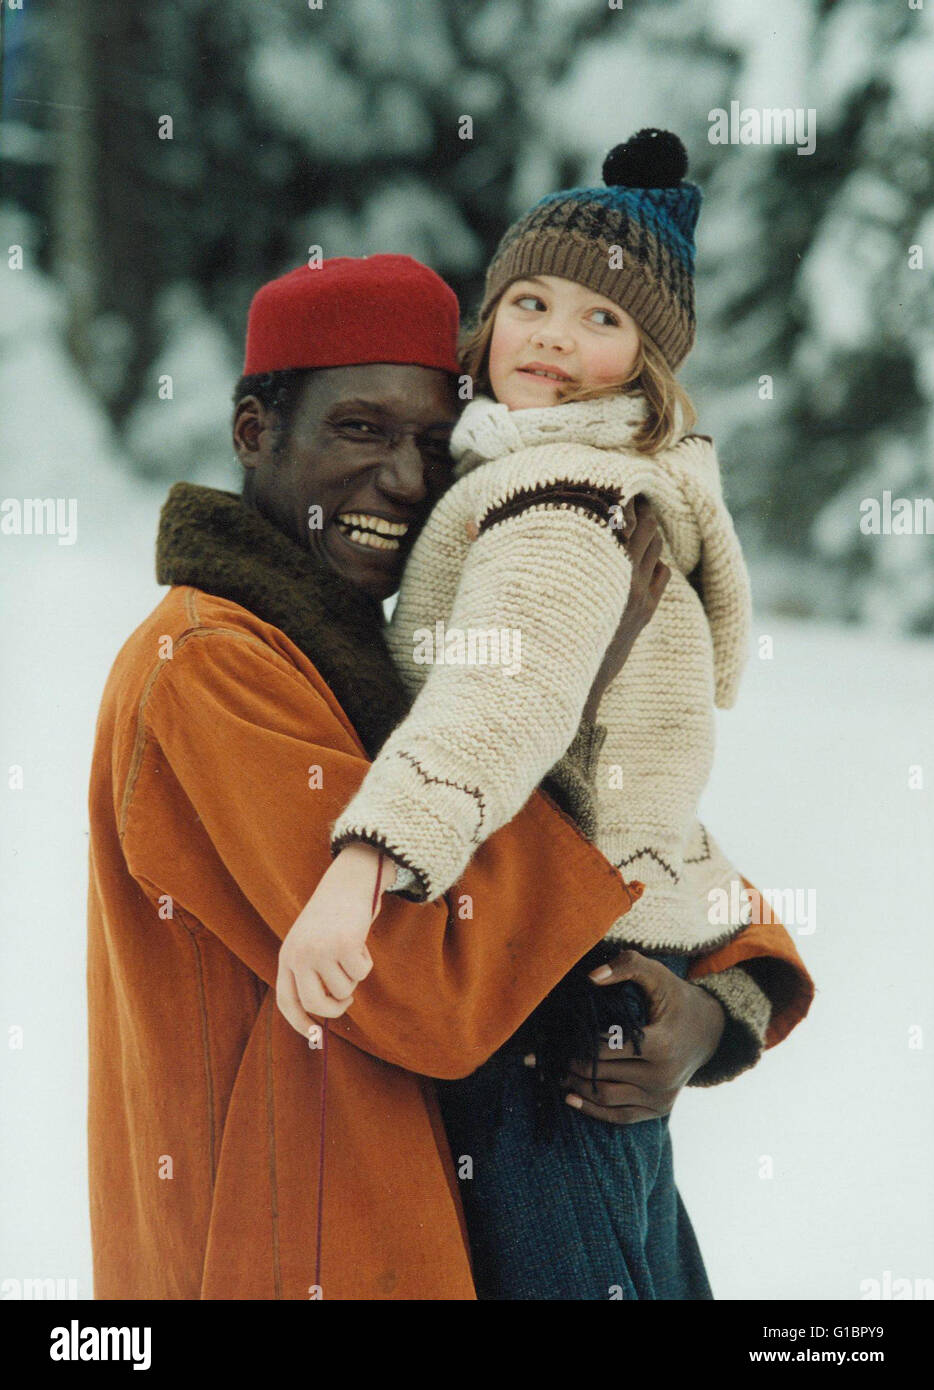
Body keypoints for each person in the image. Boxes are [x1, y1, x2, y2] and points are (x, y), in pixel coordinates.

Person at [86, 250, 813, 1300]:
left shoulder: (369, 657)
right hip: (286, 1251)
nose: (403, 477)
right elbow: (423, 986)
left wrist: (708, 1004)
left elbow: (636, 816)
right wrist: (574, 688)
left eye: (435, 443)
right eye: (359, 429)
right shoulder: (213, 663)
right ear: (256, 430)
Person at [278, 133, 809, 1299]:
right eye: (531, 300)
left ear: (646, 369)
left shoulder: (562, 507)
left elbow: (496, 701)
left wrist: (360, 866)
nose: (557, 337)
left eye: (602, 321)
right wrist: (719, 999)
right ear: (489, 320)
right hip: (583, 981)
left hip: (547, 1000)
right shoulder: (553, 483)